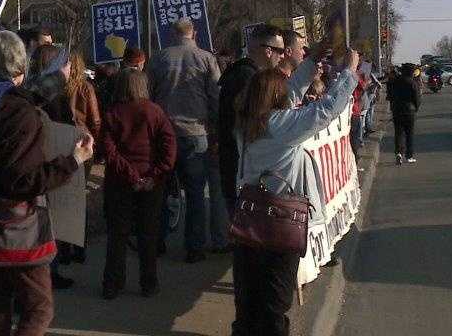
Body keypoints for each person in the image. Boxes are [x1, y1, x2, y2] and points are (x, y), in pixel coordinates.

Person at [0, 30, 93, 336]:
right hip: (19, 230)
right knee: (39, 309)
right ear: (21, 70)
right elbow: (23, 180)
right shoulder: (21, 112)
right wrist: (74, 160)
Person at [232, 49, 360, 336]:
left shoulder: (247, 122)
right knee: (274, 307)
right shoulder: (279, 126)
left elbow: (287, 95)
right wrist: (349, 72)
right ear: (275, 99)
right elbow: (325, 110)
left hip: (248, 223)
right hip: (278, 225)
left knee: (247, 305)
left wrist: (311, 62)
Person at [148, 19, 225, 262]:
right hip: (196, 132)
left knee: (160, 191)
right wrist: (215, 129)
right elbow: (216, 97)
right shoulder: (205, 58)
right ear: (194, 34)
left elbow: (147, 94)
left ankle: (157, 240)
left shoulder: (159, 58)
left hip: (164, 134)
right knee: (195, 193)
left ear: (173, 34)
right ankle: (195, 247)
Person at [217, 25, 316, 214]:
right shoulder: (248, 78)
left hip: (242, 168)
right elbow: (260, 124)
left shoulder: (247, 75)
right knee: (249, 231)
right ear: (268, 51)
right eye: (280, 50)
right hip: (244, 172)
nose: (283, 56)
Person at [100, 68, 177, 299]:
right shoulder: (155, 112)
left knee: (117, 234)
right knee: (148, 234)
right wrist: (154, 175)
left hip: (119, 181)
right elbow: (169, 147)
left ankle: (112, 283)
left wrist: (131, 176)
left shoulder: (112, 113)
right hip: (151, 181)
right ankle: (149, 283)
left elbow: (109, 152)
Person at [26, 43, 78, 289]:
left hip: (40, 165)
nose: (70, 69)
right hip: (49, 163)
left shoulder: (27, 92)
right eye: (65, 65)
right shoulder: (50, 97)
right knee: (49, 221)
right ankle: (48, 273)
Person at [65, 51, 100, 264]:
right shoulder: (86, 87)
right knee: (79, 196)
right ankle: (79, 247)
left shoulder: (61, 87)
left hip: (64, 139)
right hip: (83, 137)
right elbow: (95, 119)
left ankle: (65, 250)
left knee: (63, 197)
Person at [387, 62, 421, 164]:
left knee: (398, 133)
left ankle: (399, 153)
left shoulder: (395, 81)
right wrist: (416, 108)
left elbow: (390, 94)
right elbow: (417, 98)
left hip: (397, 110)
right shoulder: (413, 83)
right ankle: (409, 156)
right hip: (409, 111)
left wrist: (393, 105)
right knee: (409, 134)